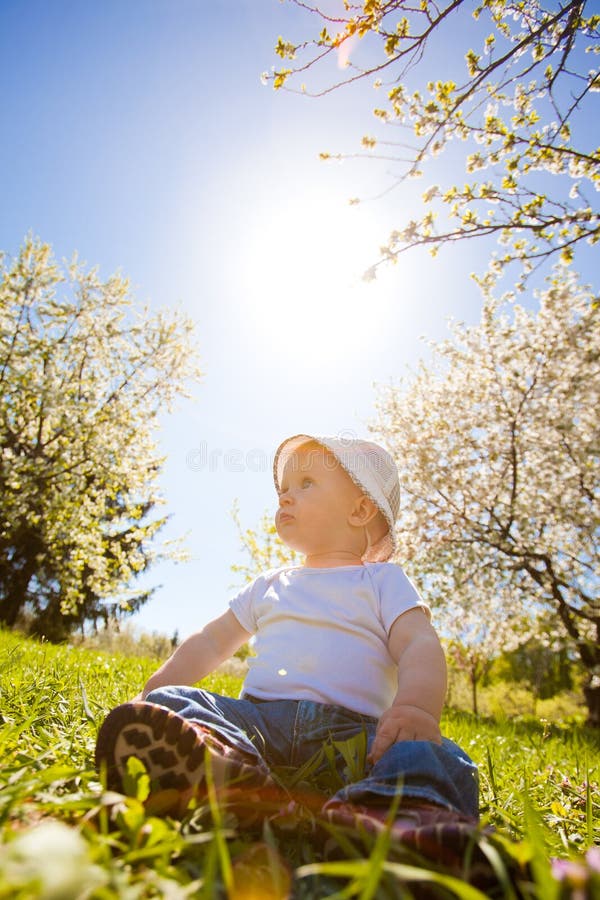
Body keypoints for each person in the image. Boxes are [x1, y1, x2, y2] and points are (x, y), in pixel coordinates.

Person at [95, 434, 481, 863]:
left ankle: (391, 813)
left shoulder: (384, 581)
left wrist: (416, 709)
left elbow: (418, 643)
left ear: (360, 509)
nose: (286, 497)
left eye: (306, 484)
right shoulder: (268, 585)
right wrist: (157, 688)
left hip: (357, 741)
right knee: (174, 703)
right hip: (259, 724)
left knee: (435, 753)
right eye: (283, 490)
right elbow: (211, 640)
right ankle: (228, 771)